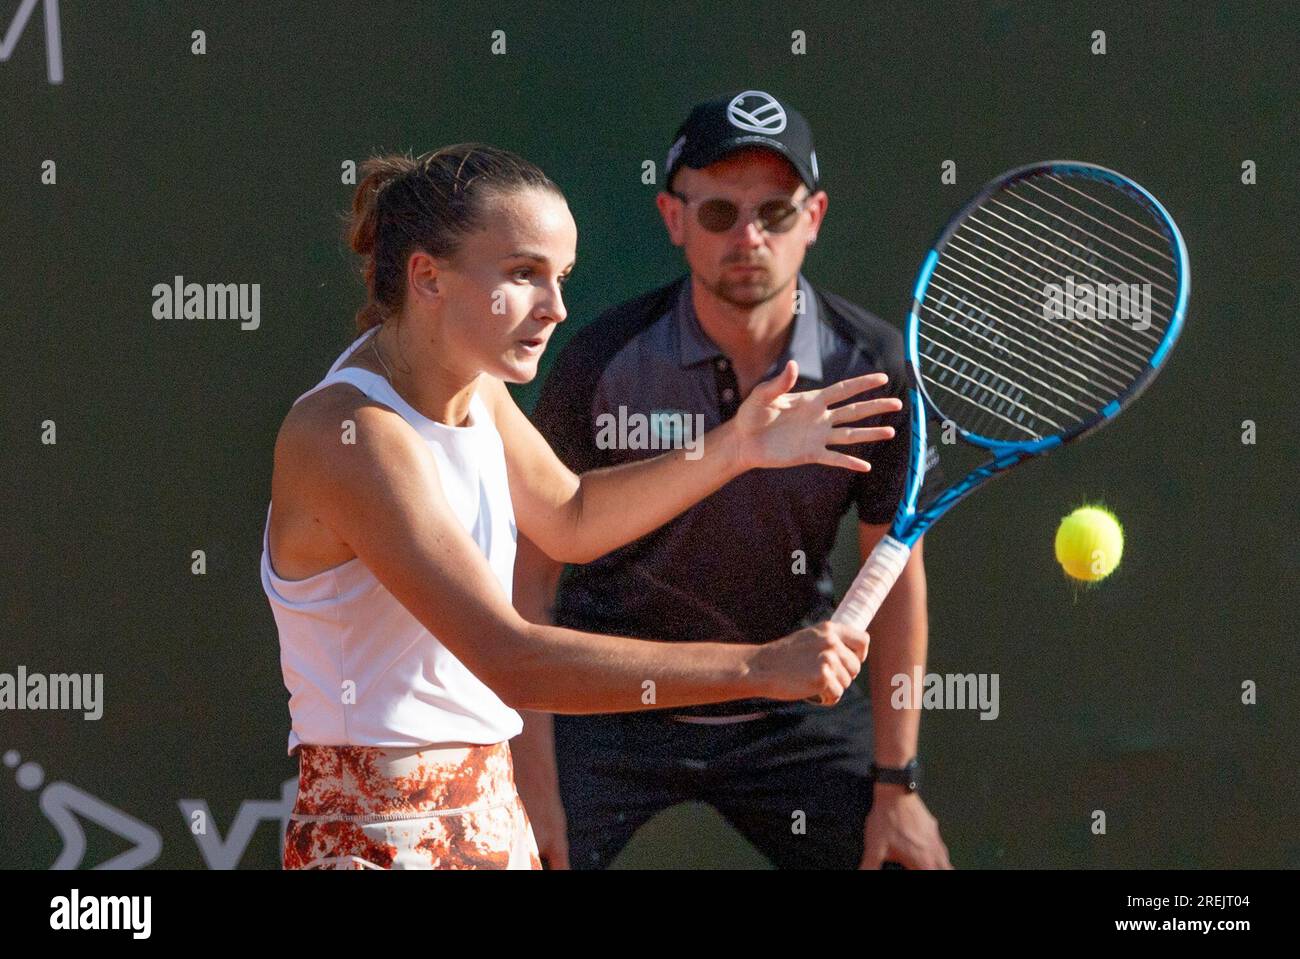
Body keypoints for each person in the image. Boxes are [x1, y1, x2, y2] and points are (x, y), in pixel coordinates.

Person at [258, 143, 901, 869]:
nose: (556, 307)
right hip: (376, 838)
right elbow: (514, 658)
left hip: (490, 817)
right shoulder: (354, 435)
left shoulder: (474, 390)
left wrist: (735, 447)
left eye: (560, 277)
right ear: (428, 276)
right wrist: (759, 667)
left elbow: (570, 516)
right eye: (523, 274)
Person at [512, 92, 954, 869]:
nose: (747, 237)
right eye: (718, 213)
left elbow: (898, 577)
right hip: (611, 699)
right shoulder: (601, 362)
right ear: (673, 217)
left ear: (813, 218)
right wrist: (531, 783)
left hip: (790, 703)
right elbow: (529, 573)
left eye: (775, 214)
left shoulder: (874, 370)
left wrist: (897, 782)